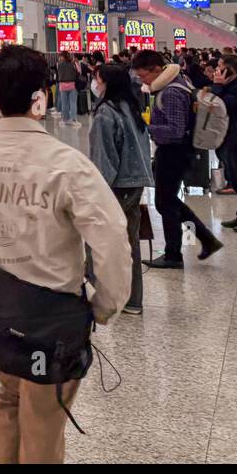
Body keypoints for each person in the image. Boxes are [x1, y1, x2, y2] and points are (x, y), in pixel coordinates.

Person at [0, 44, 131, 464]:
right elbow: (112, 237)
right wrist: (105, 304)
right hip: (49, 321)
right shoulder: (65, 163)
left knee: (8, 400)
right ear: (40, 95)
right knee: (42, 423)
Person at [132, 50, 225, 267]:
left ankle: (175, 255)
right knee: (167, 200)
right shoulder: (179, 81)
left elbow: (175, 130)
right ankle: (204, 240)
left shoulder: (172, 91)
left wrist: (148, 127)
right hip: (178, 151)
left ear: (156, 69)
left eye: (144, 75)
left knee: (165, 201)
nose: (142, 81)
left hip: (175, 151)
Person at [88, 63, 153, 315]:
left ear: (106, 82)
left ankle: (96, 296)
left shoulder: (106, 112)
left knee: (97, 241)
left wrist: (96, 192)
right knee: (130, 241)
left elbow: (103, 156)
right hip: (134, 183)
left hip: (116, 186)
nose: (95, 84)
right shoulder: (131, 107)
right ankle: (133, 300)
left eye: (97, 79)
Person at [211, 55, 237, 226]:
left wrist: (218, 86)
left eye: (221, 67)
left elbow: (218, 105)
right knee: (236, 179)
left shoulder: (235, 88)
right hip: (231, 138)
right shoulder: (231, 86)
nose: (217, 70)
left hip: (236, 140)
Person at [56, 51, 79, 125]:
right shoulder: (73, 63)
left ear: (62, 57)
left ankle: (65, 119)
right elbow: (79, 71)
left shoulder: (58, 64)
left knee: (64, 103)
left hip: (62, 85)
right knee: (73, 103)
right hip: (72, 84)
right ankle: (74, 119)